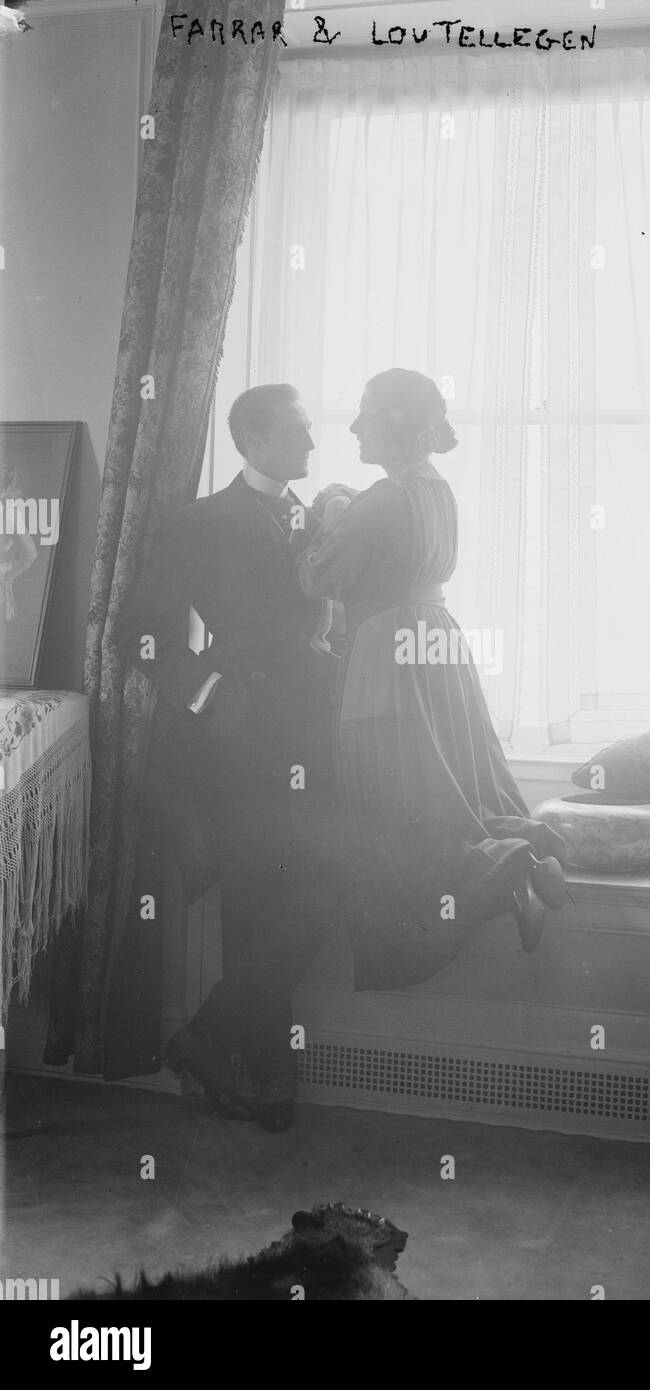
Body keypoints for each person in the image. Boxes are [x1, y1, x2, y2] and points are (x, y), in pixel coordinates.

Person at [297, 367, 567, 991]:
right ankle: (525, 856)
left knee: (393, 800)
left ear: (395, 425)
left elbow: (317, 579)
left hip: (386, 654)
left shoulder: (383, 496)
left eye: (366, 414)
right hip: (437, 639)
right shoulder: (435, 487)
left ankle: (507, 870)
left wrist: (329, 513)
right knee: (452, 785)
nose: (356, 427)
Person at [120, 383, 340, 1132]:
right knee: (254, 905)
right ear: (250, 442)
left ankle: (206, 1038)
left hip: (316, 737)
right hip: (240, 743)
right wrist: (211, 692)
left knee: (320, 891)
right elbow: (141, 633)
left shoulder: (321, 521)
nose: (311, 444)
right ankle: (268, 1071)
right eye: (296, 432)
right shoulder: (202, 523)